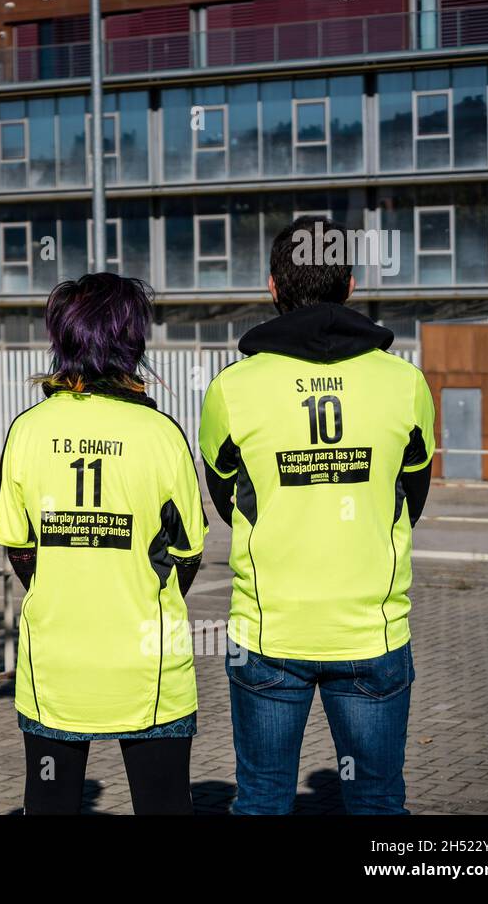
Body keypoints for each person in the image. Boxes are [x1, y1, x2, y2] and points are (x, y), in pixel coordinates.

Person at [199, 215, 435, 815]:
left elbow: (229, 499)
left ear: (273, 288)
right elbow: (411, 496)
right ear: (351, 284)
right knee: (379, 803)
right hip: (372, 630)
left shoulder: (233, 387)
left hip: (267, 632)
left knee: (260, 800)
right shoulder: (405, 382)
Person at [0, 273, 206, 815]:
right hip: (148, 667)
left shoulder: (27, 430)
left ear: (61, 336)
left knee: (48, 808)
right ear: (132, 339)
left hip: (57, 666)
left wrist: (69, 579)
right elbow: (187, 553)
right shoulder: (161, 433)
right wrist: (137, 585)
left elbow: (20, 549)